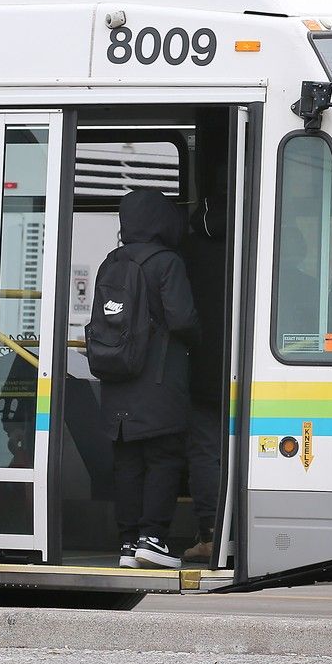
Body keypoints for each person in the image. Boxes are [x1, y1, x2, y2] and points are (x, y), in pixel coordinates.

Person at [98, 190, 199, 570]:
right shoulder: (167, 262)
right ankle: (152, 538)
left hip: (117, 377)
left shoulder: (112, 262)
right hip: (158, 379)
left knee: (127, 463)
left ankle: (127, 542)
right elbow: (183, 318)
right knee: (163, 459)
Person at [180, 194, 227, 562]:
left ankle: (210, 533)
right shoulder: (253, 241)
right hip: (254, 374)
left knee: (205, 453)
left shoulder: (187, 253)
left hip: (200, 371)